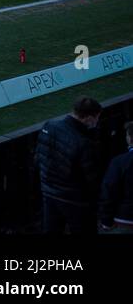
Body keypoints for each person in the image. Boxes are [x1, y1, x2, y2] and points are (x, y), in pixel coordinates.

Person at [35, 96, 103, 233]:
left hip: (49, 193)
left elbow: (38, 158)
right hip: (75, 201)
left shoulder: (49, 126)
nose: (97, 121)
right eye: (97, 117)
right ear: (89, 117)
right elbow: (92, 179)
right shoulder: (83, 143)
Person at [99, 121, 133, 233]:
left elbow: (108, 192)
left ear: (130, 138)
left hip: (126, 221)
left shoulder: (119, 162)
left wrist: (106, 221)